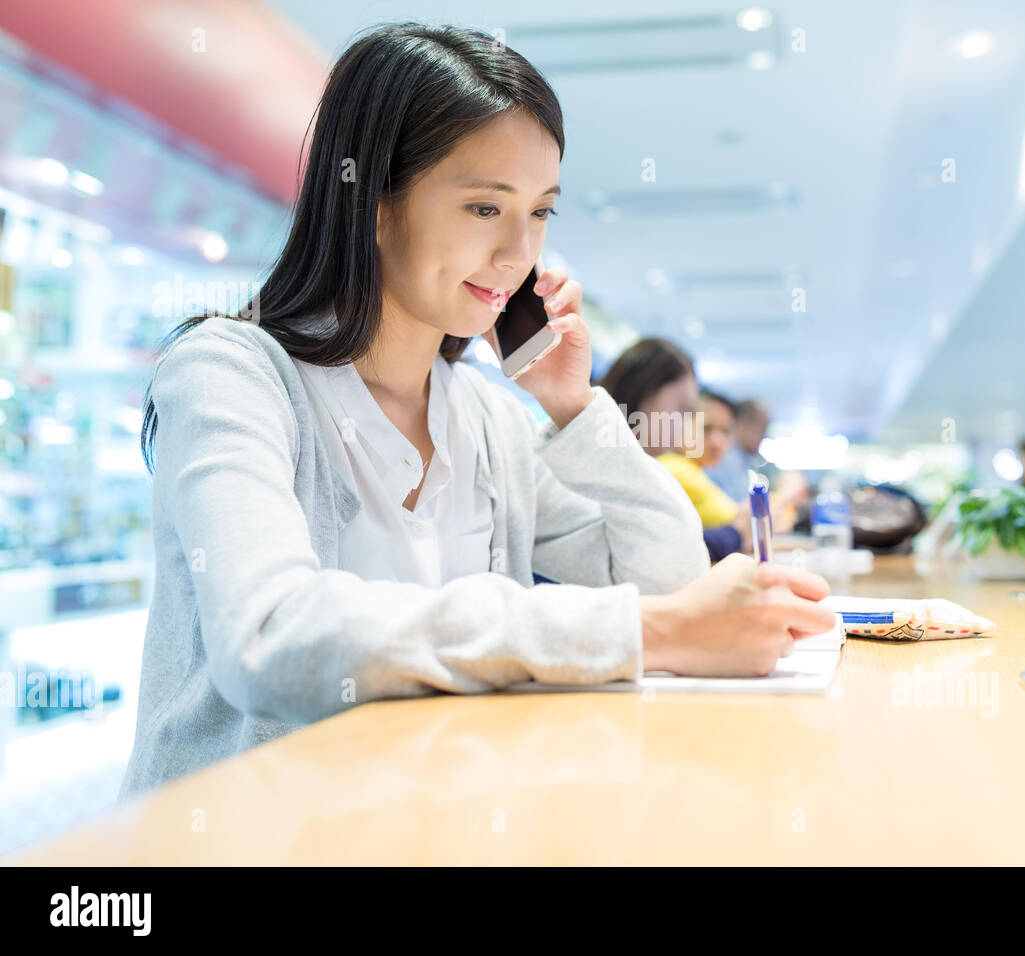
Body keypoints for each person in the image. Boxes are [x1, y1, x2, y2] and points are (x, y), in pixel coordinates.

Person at [124, 23, 835, 798]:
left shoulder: (487, 420)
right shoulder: (231, 374)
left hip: (432, 825)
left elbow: (666, 577)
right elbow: (271, 638)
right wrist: (645, 633)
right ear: (374, 204)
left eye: (540, 213)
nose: (518, 255)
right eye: (485, 209)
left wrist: (573, 404)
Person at [600, 340, 754, 561]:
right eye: (682, 410)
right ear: (640, 398)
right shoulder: (611, 474)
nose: (685, 427)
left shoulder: (637, 468)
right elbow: (656, 553)